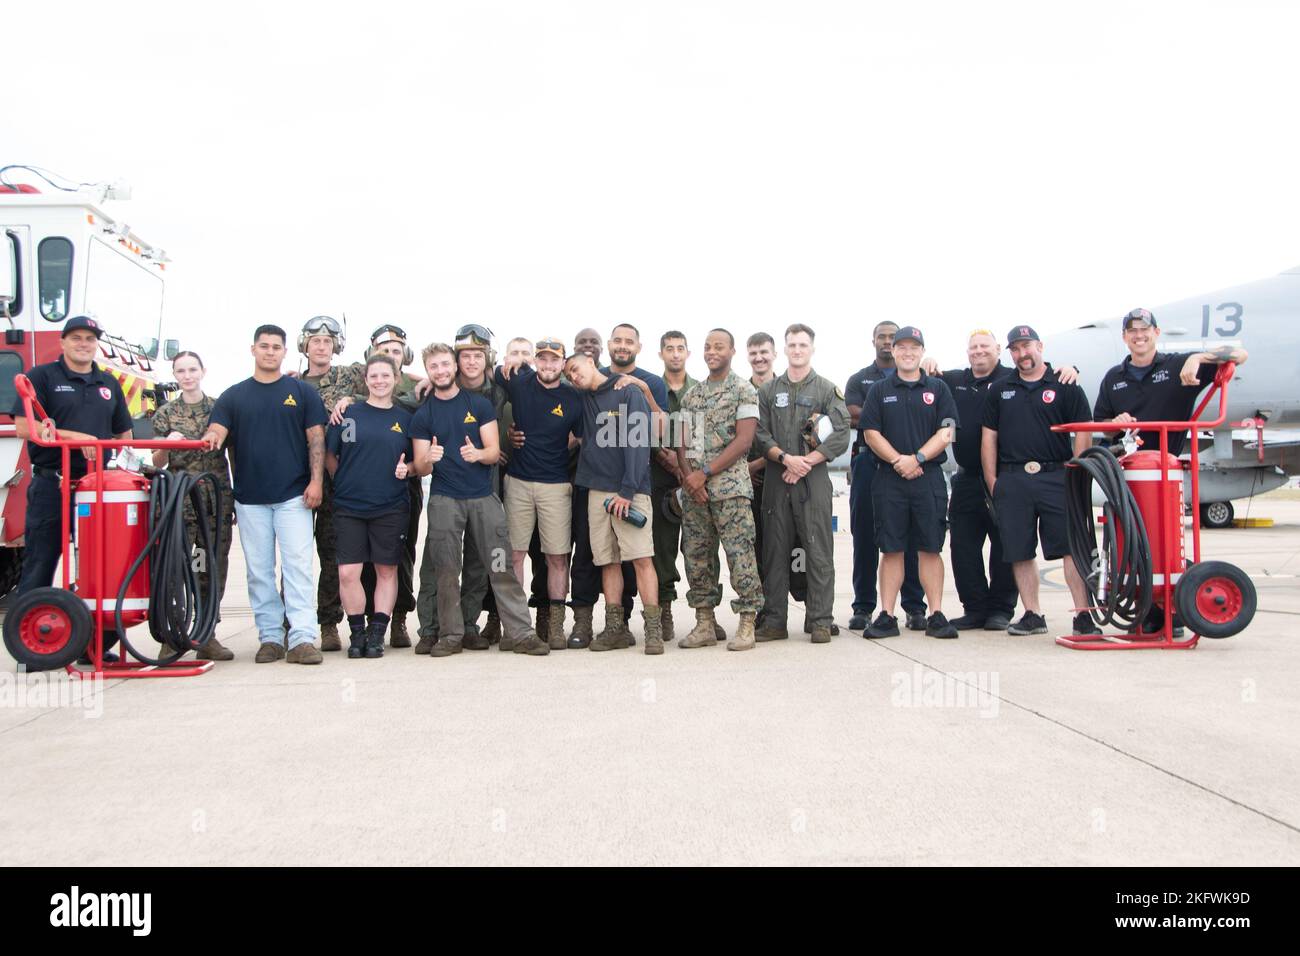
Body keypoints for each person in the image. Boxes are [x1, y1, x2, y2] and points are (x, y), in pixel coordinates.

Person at [1092, 307, 1249, 635]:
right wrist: (1114, 424)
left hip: (1165, 470)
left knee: (1163, 541)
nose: (1139, 336)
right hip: (1129, 473)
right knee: (1132, 541)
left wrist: (1199, 358)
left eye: (1145, 330)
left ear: (1156, 333)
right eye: (1132, 331)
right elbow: (1103, 426)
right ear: (1125, 337)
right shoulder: (1114, 378)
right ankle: (1145, 606)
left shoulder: (1178, 364)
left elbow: (1239, 353)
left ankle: (1167, 608)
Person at [409, 343, 548, 657]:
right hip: (445, 501)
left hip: (483, 500)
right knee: (446, 570)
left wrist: (477, 454)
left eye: (446, 364)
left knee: (500, 566)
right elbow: (419, 466)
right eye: (435, 367)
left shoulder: (479, 405)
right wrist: (429, 459)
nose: (441, 371)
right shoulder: (424, 414)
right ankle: (450, 634)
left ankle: (522, 633)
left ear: (454, 367)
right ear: (428, 371)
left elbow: (491, 452)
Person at [203, 325, 327, 665]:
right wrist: (213, 434)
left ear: (285, 352)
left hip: (294, 497)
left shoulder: (301, 392)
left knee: (298, 568)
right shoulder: (234, 396)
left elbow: (316, 439)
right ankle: (270, 638)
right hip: (249, 499)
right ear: (253, 349)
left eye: (276, 347)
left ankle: (301, 638)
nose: (270, 351)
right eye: (264, 346)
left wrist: (316, 482)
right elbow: (218, 428)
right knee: (259, 572)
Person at [11, 316, 133, 663]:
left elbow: (124, 436)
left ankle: (93, 646)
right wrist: (77, 438)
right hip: (54, 484)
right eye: (77, 338)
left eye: (90, 339)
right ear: (63, 342)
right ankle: (32, 650)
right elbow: (24, 427)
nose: (84, 344)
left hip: (98, 490)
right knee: (41, 563)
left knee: (98, 568)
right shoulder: (42, 377)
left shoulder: (108, 382)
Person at [981, 326, 1095, 637]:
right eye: (1015, 349)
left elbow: (1083, 430)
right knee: (1020, 550)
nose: (1022, 354)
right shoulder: (1000, 389)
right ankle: (1032, 613)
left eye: (1027, 347)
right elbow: (989, 438)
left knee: (1070, 548)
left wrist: (1076, 470)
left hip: (1056, 475)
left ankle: (1083, 614)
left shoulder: (1065, 384)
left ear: (1040, 346)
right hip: (1014, 479)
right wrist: (993, 481)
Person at [329, 324, 428, 649]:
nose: (380, 381)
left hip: (391, 505)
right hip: (349, 507)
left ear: (396, 378)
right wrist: (347, 479)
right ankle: (357, 632)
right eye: (374, 376)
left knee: (388, 570)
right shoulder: (349, 415)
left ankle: (377, 633)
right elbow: (332, 457)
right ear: (366, 379)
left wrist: (408, 469)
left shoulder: (406, 416)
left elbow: (419, 462)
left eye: (386, 375)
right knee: (349, 573)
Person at [859, 327, 960, 639]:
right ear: (894, 350)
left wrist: (916, 458)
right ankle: (887, 615)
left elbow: (946, 432)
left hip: (927, 478)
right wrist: (897, 461)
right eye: (901, 347)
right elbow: (870, 433)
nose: (907, 352)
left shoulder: (938, 389)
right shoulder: (879, 390)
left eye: (913, 347)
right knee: (892, 549)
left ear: (921, 351)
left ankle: (937, 614)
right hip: (889, 478)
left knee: (930, 547)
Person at [753, 324, 851, 644]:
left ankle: (820, 619)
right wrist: (786, 459)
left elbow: (840, 431)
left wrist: (807, 461)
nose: (797, 350)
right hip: (778, 479)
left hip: (814, 479)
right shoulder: (768, 392)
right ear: (784, 349)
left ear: (812, 349)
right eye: (792, 345)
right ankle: (774, 620)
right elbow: (759, 433)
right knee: (774, 551)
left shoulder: (826, 389)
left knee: (818, 549)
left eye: (802, 345)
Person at [563, 351, 664, 654]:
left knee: (642, 558)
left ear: (592, 361)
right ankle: (615, 629)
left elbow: (639, 443)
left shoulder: (628, 391)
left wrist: (628, 490)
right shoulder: (581, 398)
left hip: (629, 490)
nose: (573, 376)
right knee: (607, 561)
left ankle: (654, 631)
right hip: (596, 491)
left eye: (575, 369)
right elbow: (545, 378)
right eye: (569, 374)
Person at [676, 329, 763, 650]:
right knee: (697, 556)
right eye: (708, 347)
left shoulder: (743, 391)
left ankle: (747, 623)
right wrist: (690, 479)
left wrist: (705, 474)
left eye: (719, 346)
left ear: (732, 351)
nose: (712, 351)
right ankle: (704, 623)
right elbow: (682, 443)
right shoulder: (692, 396)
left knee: (740, 555)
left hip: (730, 491)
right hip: (695, 493)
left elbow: (744, 441)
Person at [495, 336, 584, 649]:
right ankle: (518, 627)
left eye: (554, 360)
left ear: (562, 363)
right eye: (542, 359)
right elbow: (481, 372)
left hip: (556, 484)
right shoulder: (520, 382)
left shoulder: (574, 397)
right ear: (535, 360)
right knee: (515, 555)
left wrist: (567, 443)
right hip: (518, 482)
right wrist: (510, 362)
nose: (547, 365)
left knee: (557, 557)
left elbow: (583, 437)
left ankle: (556, 627)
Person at [929, 329, 1020, 632]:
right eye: (973, 347)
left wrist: (1071, 369)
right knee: (963, 546)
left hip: (1005, 476)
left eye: (985, 346)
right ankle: (975, 608)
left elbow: (1045, 374)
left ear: (998, 349)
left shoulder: (1013, 378)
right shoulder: (955, 381)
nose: (979, 351)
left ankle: (1001, 608)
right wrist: (928, 361)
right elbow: (929, 377)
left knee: (1005, 545)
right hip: (967, 477)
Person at [149, 350, 235, 661]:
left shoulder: (219, 409)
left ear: (202, 371)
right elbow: (156, 460)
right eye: (181, 371)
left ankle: (206, 633)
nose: (187, 376)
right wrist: (166, 444)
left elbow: (231, 453)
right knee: (176, 568)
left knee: (210, 566)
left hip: (214, 502)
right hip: (179, 503)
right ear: (175, 375)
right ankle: (173, 635)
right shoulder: (165, 414)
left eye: (192, 369)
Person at [844, 321, 927, 632]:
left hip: (910, 465)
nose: (888, 342)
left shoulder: (922, 378)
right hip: (870, 463)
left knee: (909, 536)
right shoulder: (859, 379)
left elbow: (867, 415)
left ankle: (914, 607)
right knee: (864, 535)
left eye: (893, 338)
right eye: (883, 337)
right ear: (875, 341)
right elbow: (854, 415)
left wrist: (879, 416)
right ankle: (863, 606)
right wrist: (890, 413)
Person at [296, 315, 365, 652]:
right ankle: (292, 625)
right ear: (304, 345)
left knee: (332, 556)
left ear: (335, 346)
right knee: (295, 558)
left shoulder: (349, 376)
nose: (321, 347)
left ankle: (328, 624)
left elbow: (391, 378)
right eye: (315, 341)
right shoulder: (292, 386)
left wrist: (351, 399)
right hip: (297, 481)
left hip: (338, 483)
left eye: (327, 341)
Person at [652, 330, 697, 641]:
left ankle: (704, 615)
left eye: (680, 348)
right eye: (669, 349)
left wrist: (691, 469)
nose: (675, 354)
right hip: (661, 479)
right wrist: (665, 457)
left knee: (699, 549)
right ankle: (664, 611)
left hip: (696, 479)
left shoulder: (701, 390)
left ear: (687, 353)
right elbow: (641, 429)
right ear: (661, 354)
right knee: (662, 551)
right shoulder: (653, 390)